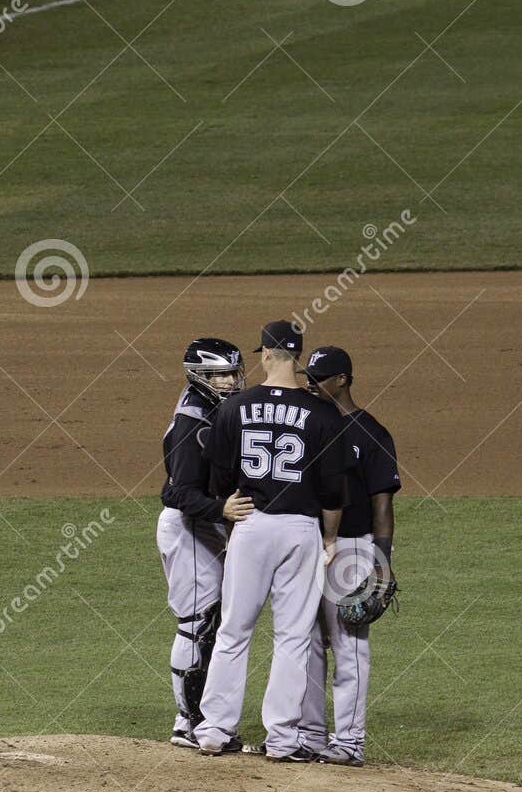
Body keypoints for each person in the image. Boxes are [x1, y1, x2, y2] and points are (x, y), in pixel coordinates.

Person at [194, 320, 350, 761]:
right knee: (293, 638)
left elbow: (218, 476)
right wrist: (330, 539)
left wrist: (232, 511)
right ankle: (282, 739)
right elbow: (334, 490)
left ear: (265, 354)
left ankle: (213, 730)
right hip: (301, 529)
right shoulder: (323, 413)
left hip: (251, 525)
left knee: (233, 631)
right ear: (299, 358)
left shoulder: (233, 407)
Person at [299, 346, 400, 768]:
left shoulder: (372, 432)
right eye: (307, 377)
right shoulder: (309, 424)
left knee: (349, 645)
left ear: (342, 380)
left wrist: (381, 557)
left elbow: (382, 502)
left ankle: (350, 741)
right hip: (308, 543)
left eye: (318, 378)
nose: (310, 385)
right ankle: (310, 734)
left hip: (353, 547)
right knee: (305, 642)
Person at [157, 338, 253, 749]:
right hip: (188, 528)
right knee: (195, 625)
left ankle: (198, 718)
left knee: (208, 622)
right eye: (221, 374)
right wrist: (223, 511)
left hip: (205, 526)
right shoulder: (192, 423)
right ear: (200, 376)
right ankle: (188, 721)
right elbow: (175, 494)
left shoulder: (213, 407)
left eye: (233, 372)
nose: (231, 381)